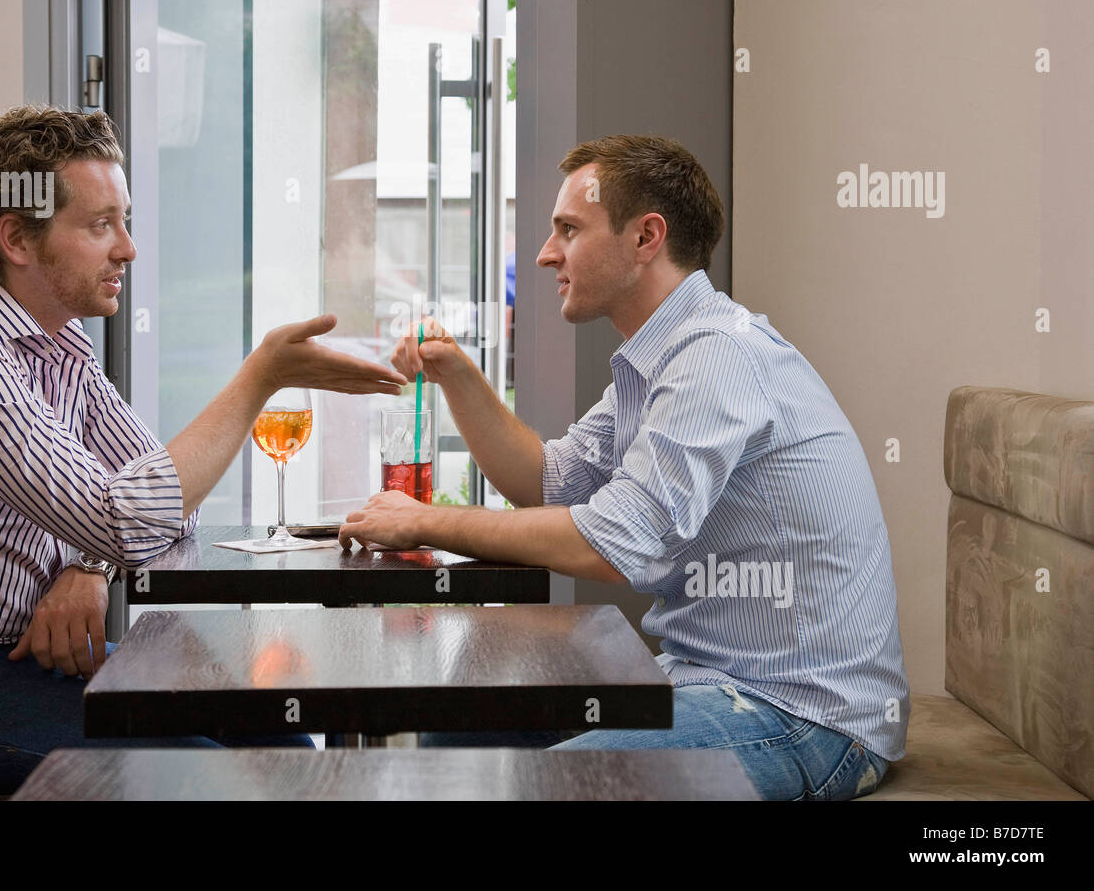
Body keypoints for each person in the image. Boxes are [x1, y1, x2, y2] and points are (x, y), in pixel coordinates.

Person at [0, 105, 406, 795]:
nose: (127, 248)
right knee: (204, 779)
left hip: (8, 662)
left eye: (125, 221)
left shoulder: (58, 345)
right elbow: (128, 515)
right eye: (101, 225)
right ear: (17, 238)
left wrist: (89, 565)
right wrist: (259, 379)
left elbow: (161, 511)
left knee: (274, 731)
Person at [339, 134, 909, 801]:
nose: (546, 253)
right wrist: (460, 376)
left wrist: (424, 521)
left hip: (801, 715)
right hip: (700, 679)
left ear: (645, 238)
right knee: (460, 720)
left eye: (568, 230)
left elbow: (612, 541)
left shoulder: (715, 357)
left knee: (545, 788)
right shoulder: (660, 360)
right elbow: (548, 483)